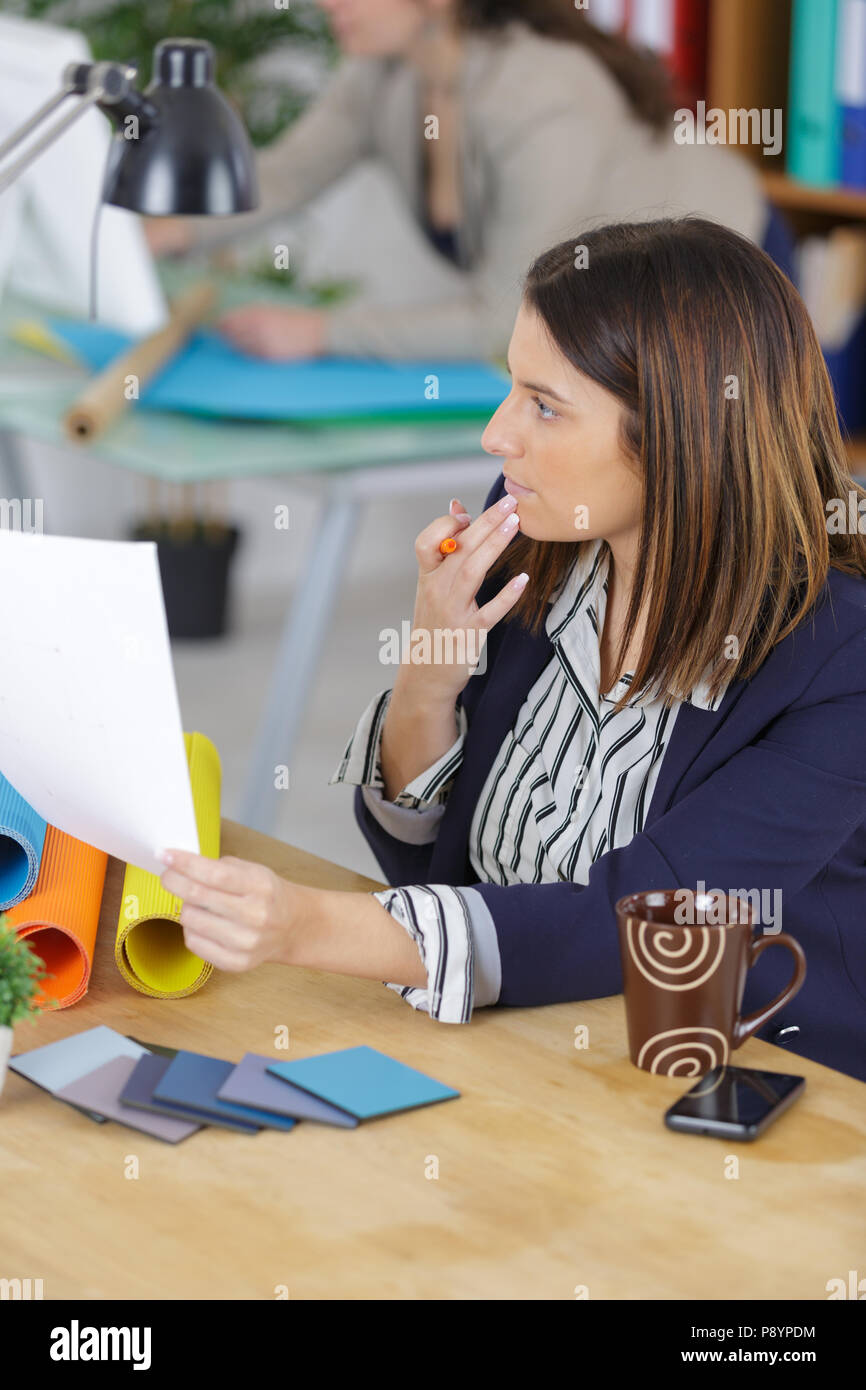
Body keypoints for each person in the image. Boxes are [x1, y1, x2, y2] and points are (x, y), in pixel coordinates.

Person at [159, 216, 866, 1084]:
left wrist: (306, 927)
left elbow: (648, 918)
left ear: (678, 435)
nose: (498, 437)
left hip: (741, 1083)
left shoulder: (841, 661)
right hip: (526, 1049)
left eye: (544, 406)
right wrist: (428, 678)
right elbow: (437, 864)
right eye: (512, 389)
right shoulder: (539, 531)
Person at [145, 0, 781, 361]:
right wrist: (163, 233)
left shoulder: (542, 93)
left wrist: (319, 333)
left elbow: (512, 315)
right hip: (605, 312)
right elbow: (283, 176)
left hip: (727, 286)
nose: (325, 3)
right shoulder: (381, 73)